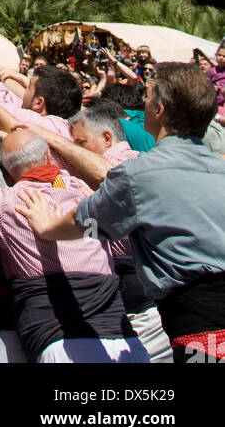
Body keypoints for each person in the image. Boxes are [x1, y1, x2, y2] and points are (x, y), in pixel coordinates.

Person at [17, 63, 225, 363]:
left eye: (149, 98)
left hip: (203, 333)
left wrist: (48, 226)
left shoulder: (137, 175)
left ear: (159, 111)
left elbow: (86, 222)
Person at [0, 128, 148, 364]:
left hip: (62, 345)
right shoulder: (85, 195)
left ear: (7, 176)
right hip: (125, 343)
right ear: (49, 157)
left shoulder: (7, 204)